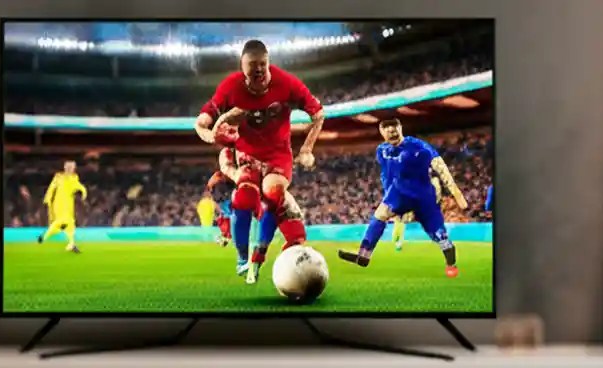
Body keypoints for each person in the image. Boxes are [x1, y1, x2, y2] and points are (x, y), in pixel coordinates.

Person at [194, 39, 325, 285]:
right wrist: (212, 133)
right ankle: (242, 258)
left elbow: (318, 113)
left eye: (262, 65)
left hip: (277, 156)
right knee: (243, 197)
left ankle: (259, 255)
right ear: (242, 68)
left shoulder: (286, 83)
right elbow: (200, 122)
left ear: (269, 63)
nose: (258, 71)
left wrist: (307, 148)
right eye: (252, 66)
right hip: (247, 157)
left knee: (273, 192)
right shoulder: (230, 87)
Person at [338, 118, 468, 276]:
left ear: (400, 129)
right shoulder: (382, 151)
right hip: (398, 193)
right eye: (387, 131)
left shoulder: (419, 147)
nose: (391, 133)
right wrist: (388, 196)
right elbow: (386, 175)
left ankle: (450, 262)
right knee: (379, 215)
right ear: (382, 133)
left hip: (422, 195)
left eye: (394, 130)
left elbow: (440, 167)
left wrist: (456, 194)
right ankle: (364, 255)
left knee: (438, 234)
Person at [39, 160, 88, 253]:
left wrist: (83, 192)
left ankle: (70, 244)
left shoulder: (74, 177)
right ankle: (45, 237)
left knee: (69, 224)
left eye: (72, 167)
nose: (70, 169)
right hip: (58, 203)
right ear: (65, 167)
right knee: (62, 222)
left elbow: (78, 186)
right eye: (68, 167)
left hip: (69, 203)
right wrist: (47, 199)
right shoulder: (58, 176)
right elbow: (51, 187)